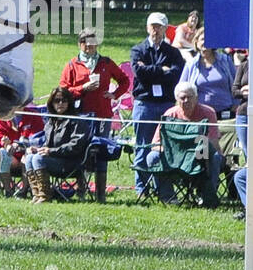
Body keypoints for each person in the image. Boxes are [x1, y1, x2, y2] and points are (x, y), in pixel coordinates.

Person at [59, 28, 128, 202]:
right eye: (87, 45)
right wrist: (82, 88)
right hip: (81, 115)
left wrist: (115, 94)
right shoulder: (72, 65)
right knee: (82, 150)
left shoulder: (106, 62)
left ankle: (101, 195)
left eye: (93, 45)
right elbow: (63, 90)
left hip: (103, 114)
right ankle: (81, 191)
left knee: (101, 149)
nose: (90, 48)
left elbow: (124, 80)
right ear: (80, 44)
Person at [130, 12, 184, 196]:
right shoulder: (138, 50)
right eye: (153, 26)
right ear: (147, 28)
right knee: (143, 145)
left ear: (165, 29)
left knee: (165, 147)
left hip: (166, 104)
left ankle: (161, 187)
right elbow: (139, 73)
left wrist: (150, 70)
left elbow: (176, 74)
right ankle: (141, 188)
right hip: (144, 103)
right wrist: (162, 69)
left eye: (159, 26)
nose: (156, 29)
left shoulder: (173, 52)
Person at [145, 82, 222, 206]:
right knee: (152, 157)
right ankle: (168, 197)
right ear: (176, 99)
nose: (186, 101)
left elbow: (213, 142)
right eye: (182, 98)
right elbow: (156, 143)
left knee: (215, 157)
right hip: (175, 157)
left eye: (190, 97)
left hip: (199, 155)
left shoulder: (208, 113)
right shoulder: (170, 115)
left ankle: (207, 196)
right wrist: (171, 150)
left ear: (196, 97)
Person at [23, 86, 92, 204]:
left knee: (38, 159)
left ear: (69, 103)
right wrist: (38, 149)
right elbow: (48, 144)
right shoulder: (51, 122)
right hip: (54, 160)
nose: (60, 103)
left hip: (71, 163)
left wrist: (50, 151)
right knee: (30, 157)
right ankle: (37, 194)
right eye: (57, 101)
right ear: (52, 103)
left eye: (64, 100)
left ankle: (46, 196)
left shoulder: (76, 121)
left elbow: (75, 146)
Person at [0, 108, 44, 197]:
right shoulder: (2, 115)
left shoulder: (33, 115)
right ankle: (8, 191)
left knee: (29, 155)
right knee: (1, 152)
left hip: (27, 155)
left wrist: (23, 145)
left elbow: (38, 137)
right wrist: (6, 144)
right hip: (10, 158)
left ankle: (24, 191)